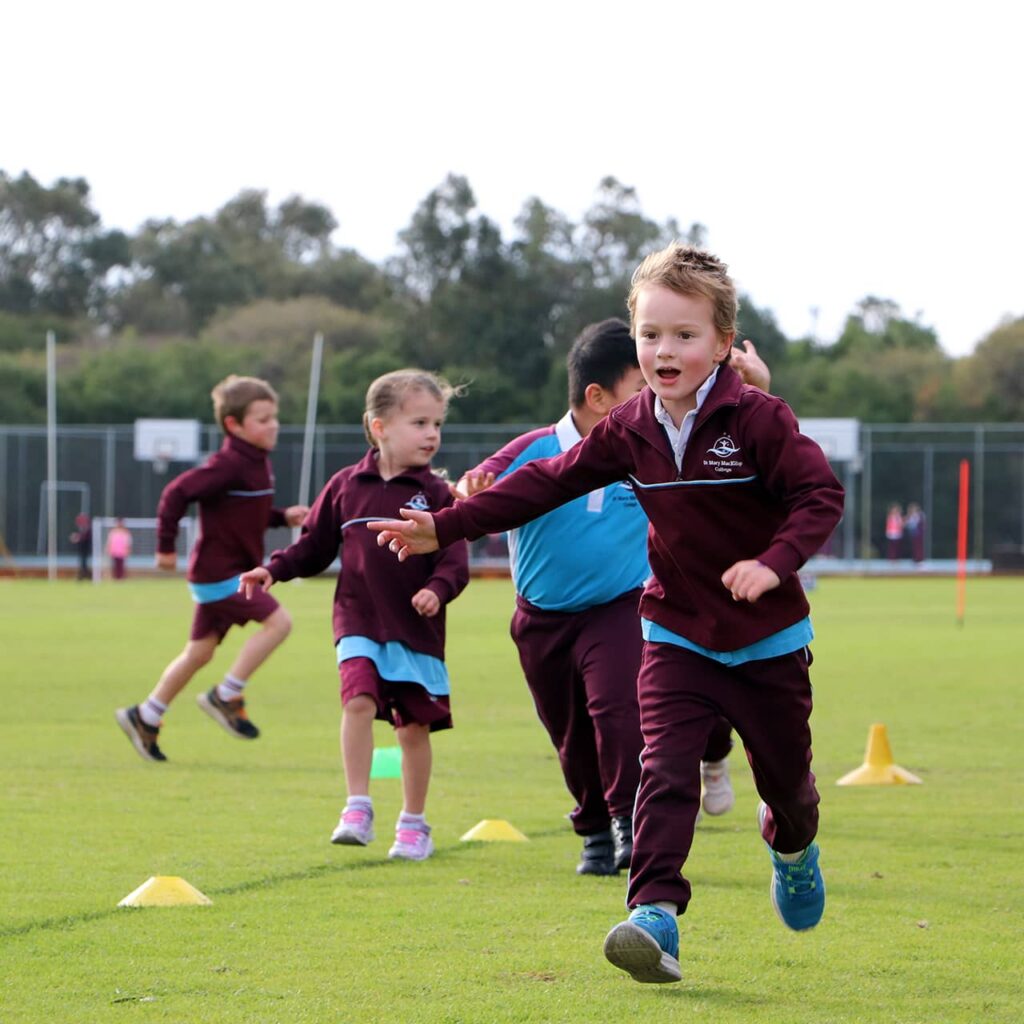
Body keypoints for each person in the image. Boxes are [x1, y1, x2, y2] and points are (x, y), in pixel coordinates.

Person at [370, 244, 844, 982]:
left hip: (768, 640)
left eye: (685, 335)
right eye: (651, 334)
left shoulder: (758, 419)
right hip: (675, 631)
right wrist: (446, 526)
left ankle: (792, 847)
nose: (664, 349)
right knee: (664, 770)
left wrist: (772, 564)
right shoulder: (629, 427)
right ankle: (654, 915)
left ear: (722, 345)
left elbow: (821, 497)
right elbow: (543, 483)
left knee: (788, 786)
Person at [454, 319, 769, 875]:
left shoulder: (654, 446)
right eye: (640, 388)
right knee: (569, 734)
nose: (655, 398)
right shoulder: (535, 450)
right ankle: (594, 830)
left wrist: (751, 387)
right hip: (541, 620)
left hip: (622, 606)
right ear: (598, 398)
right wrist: (471, 487)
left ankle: (629, 823)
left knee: (619, 711)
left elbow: (741, 451)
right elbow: (479, 488)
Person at [239, 370, 470, 862]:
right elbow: (313, 548)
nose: (433, 434)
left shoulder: (438, 497)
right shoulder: (346, 486)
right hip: (357, 620)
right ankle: (357, 806)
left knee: (412, 729)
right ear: (379, 426)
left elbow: (455, 562)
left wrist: (437, 589)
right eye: (420, 422)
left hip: (415, 630)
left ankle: (413, 824)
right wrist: (272, 571)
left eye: (437, 424)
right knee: (358, 701)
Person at [115, 375, 308, 762]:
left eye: (274, 417)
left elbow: (243, 514)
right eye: (262, 419)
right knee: (279, 623)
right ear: (234, 425)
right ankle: (227, 693)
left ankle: (147, 715)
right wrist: (165, 547)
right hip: (222, 574)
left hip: (222, 575)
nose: (273, 425)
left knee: (198, 653)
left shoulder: (256, 463)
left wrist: (282, 517)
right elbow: (176, 492)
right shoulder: (230, 463)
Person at [69, 514, 92, 581]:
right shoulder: (81, 530)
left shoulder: (88, 530)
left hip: (86, 550)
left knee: (84, 563)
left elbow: (85, 538)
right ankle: (84, 576)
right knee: (83, 563)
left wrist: (78, 538)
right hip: (81, 550)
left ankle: (84, 576)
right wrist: (76, 538)